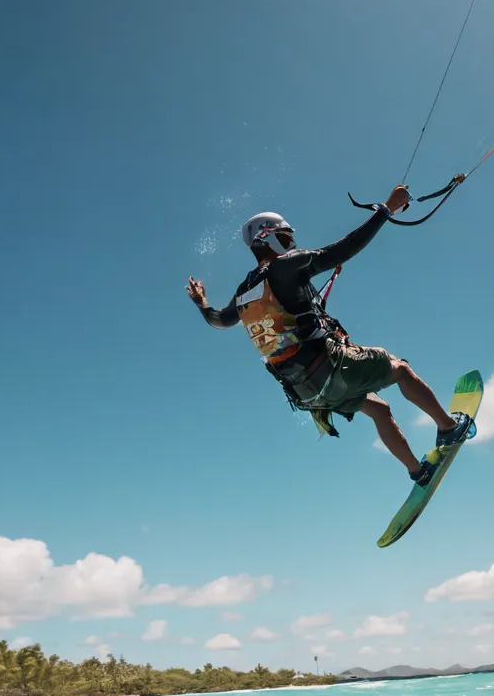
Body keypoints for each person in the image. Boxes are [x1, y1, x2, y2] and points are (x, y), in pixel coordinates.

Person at [185, 185, 474, 486]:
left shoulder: (244, 293)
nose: (291, 241)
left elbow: (218, 320)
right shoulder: (284, 266)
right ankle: (449, 427)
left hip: (306, 392)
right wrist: (387, 209)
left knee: (379, 409)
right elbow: (342, 249)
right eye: (285, 236)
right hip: (327, 366)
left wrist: (201, 302)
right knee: (399, 369)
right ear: (265, 237)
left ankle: (417, 471)